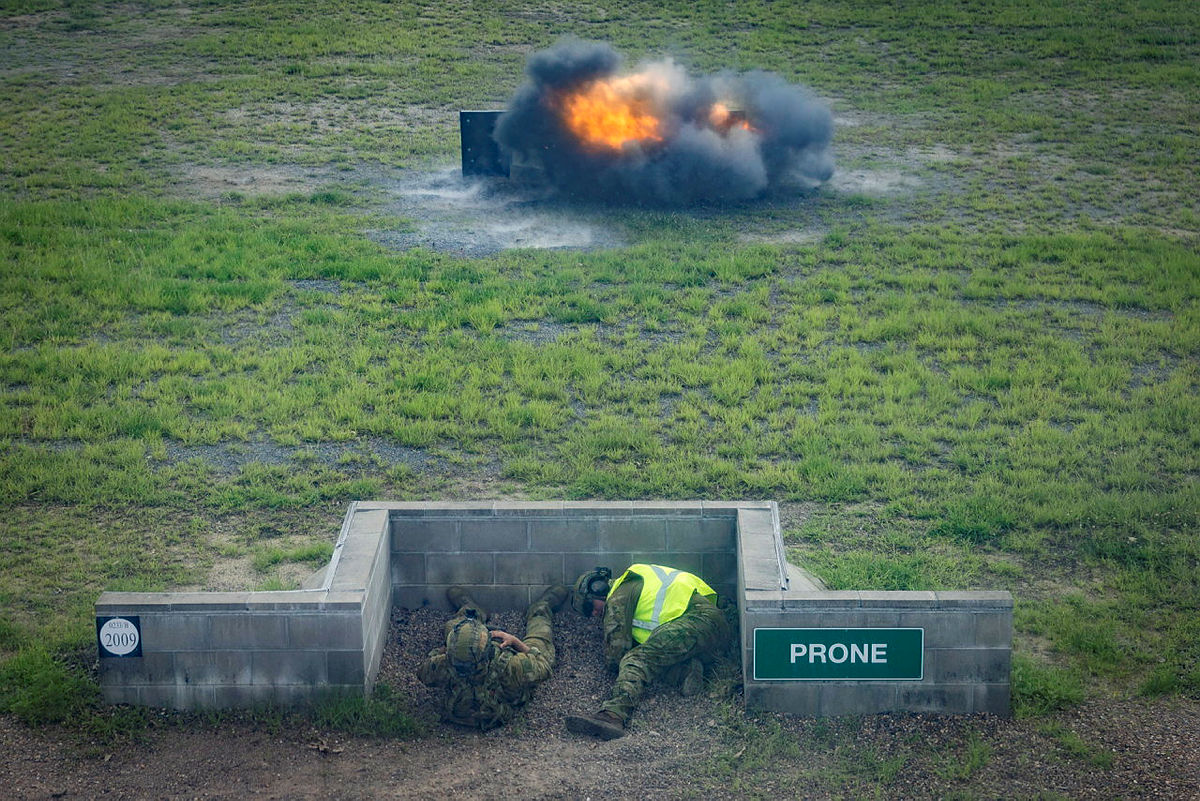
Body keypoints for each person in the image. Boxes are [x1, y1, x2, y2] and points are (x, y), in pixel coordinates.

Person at [564, 564, 731, 740]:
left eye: (590, 607)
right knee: (652, 657)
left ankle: (613, 715)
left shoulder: (618, 595)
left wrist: (619, 667)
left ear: (599, 589)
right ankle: (686, 673)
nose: (594, 614)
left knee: (636, 659)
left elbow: (616, 652)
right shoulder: (637, 584)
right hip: (711, 633)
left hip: (697, 622)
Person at [417, 583, 568, 730]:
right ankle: (540, 609)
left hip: (460, 714)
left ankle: (471, 610)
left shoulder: (443, 665)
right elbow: (543, 667)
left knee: (454, 627)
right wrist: (515, 641)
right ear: (488, 650)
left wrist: (450, 649)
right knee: (539, 638)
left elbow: (423, 672)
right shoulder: (511, 666)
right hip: (498, 710)